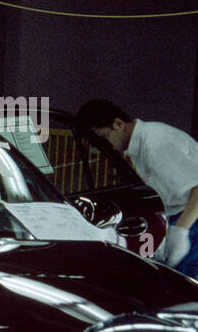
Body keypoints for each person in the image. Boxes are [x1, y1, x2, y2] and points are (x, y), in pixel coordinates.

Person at [77, 99, 198, 278]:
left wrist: (181, 230)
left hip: (191, 215)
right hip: (181, 215)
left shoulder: (156, 143)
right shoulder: (139, 146)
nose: (104, 146)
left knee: (189, 285)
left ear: (118, 124)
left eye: (103, 136)